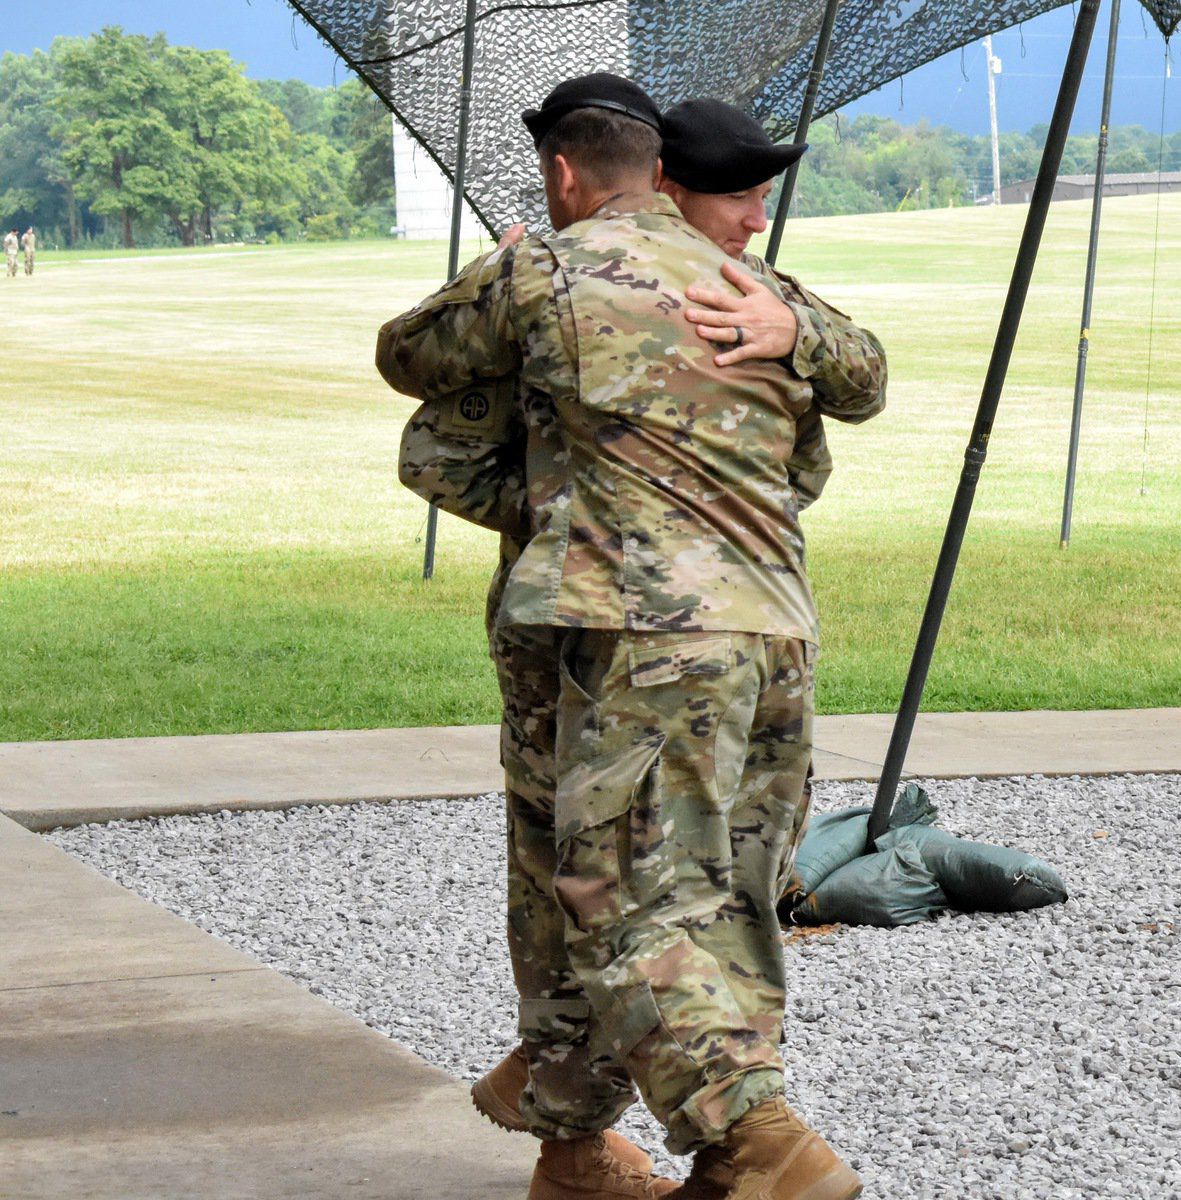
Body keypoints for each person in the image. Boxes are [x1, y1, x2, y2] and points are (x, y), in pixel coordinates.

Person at [378, 74, 870, 1200]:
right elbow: (809, 466)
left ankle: (754, 1140)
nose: (751, 214)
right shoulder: (758, 296)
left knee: (614, 886)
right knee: (723, 888)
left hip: (624, 632)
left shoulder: (544, 270)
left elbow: (419, 403)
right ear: (659, 175)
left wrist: (575, 505)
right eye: (739, 192)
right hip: (768, 630)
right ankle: (579, 1131)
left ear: (560, 173)